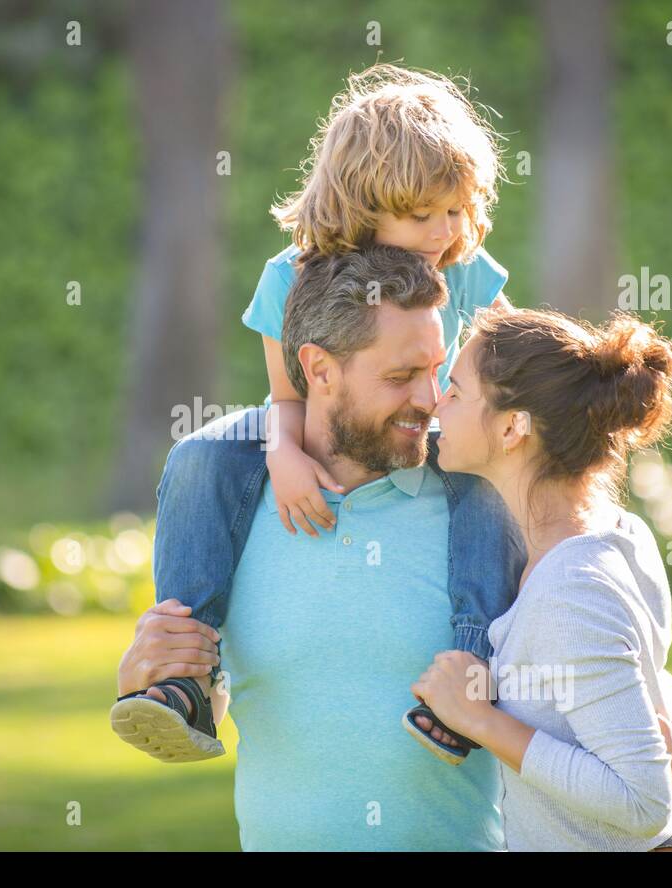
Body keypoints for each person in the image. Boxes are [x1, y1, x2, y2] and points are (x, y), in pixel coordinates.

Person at [114, 247, 672, 850]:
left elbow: (603, 641)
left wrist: (670, 712)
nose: (428, 400)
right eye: (400, 377)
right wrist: (154, 673)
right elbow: (249, 697)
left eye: (439, 372)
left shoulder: (491, 497)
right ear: (318, 371)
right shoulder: (227, 501)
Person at [111, 63, 524, 765]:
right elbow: (286, 397)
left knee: (485, 500)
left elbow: (510, 359)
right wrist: (284, 455)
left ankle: (466, 676)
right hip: (314, 424)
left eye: (455, 209)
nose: (442, 231)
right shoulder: (291, 276)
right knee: (201, 457)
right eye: (420, 214)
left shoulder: (464, 268)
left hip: (429, 423)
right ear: (362, 206)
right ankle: (184, 676)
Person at [411, 306, 672, 851]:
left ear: (511, 427)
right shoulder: (622, 531)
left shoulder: (571, 587)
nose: (435, 405)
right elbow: (643, 675)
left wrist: (479, 720)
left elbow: (642, 802)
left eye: (454, 391)